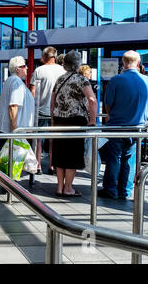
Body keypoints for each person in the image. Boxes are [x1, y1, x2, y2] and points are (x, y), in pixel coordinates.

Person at [98, 51, 148, 200]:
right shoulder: (147, 81)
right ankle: (125, 190)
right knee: (129, 159)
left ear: (122, 62)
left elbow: (108, 106)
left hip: (116, 126)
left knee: (113, 158)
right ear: (138, 62)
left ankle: (110, 190)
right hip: (137, 128)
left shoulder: (116, 80)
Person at [50, 51, 97, 197]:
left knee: (60, 154)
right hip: (75, 121)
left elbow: (53, 102)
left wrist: (53, 119)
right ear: (78, 64)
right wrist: (92, 120)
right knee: (72, 155)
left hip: (59, 120)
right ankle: (68, 188)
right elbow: (92, 100)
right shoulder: (81, 80)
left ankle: (59, 187)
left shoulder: (60, 79)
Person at [29, 46, 66, 175]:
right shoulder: (62, 71)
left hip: (41, 111)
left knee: (38, 139)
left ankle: (38, 165)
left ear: (45, 57)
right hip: (57, 111)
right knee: (53, 139)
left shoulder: (39, 70)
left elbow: (32, 91)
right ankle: (51, 165)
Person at [0, 56, 35, 134]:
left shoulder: (11, 80)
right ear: (17, 69)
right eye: (24, 66)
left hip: (12, 129)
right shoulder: (16, 82)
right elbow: (13, 106)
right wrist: (14, 129)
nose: (26, 68)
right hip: (16, 131)